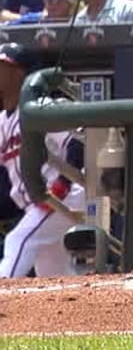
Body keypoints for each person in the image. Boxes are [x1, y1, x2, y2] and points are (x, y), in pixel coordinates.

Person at [0, 42, 84, 278]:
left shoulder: (43, 108)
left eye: (2, 67)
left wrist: (62, 185)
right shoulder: (3, 121)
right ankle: (76, 312)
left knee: (19, 240)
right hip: (39, 202)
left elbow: (77, 144)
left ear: (19, 73)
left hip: (65, 193)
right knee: (52, 272)